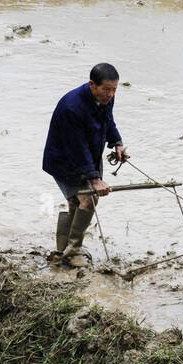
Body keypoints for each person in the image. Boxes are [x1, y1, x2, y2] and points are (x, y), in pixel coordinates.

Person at [42, 63, 128, 265]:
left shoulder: (106, 98)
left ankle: (63, 249)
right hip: (65, 160)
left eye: (114, 89)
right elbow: (76, 148)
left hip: (88, 155)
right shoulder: (72, 107)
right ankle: (74, 250)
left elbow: (108, 120)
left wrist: (117, 142)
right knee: (88, 200)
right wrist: (96, 179)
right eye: (106, 89)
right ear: (92, 84)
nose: (111, 94)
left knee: (78, 201)